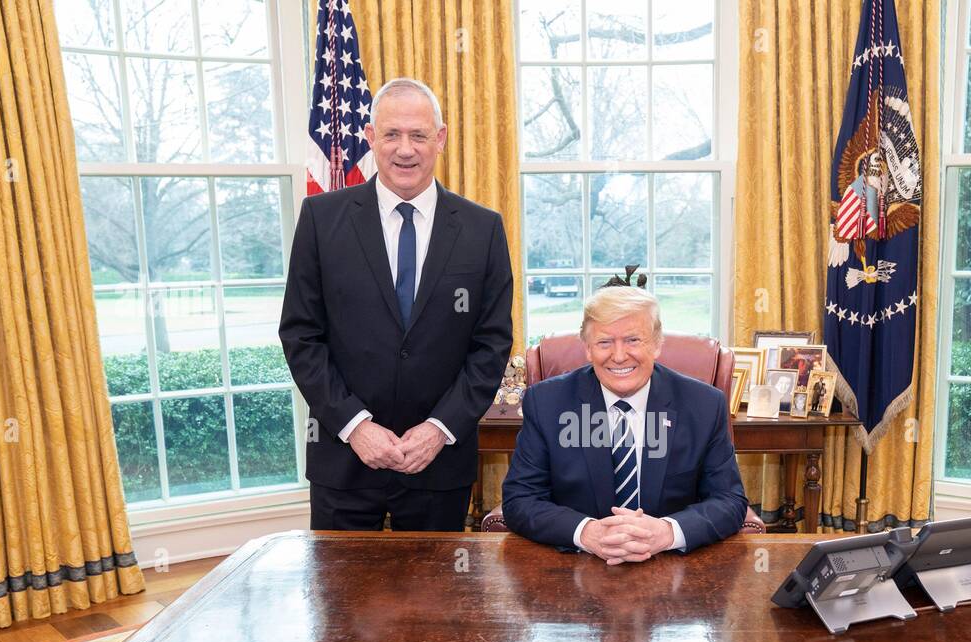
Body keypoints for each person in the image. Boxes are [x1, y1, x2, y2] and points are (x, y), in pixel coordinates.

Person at [279, 78, 512, 531]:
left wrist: (438, 430)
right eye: (391, 134)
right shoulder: (320, 220)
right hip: (343, 461)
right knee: (342, 599)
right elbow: (301, 335)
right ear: (370, 138)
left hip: (438, 464)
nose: (405, 149)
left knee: (435, 600)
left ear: (439, 139)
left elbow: (491, 345)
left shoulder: (483, 230)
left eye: (419, 135)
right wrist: (355, 426)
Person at [502, 284, 748, 563]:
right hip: (573, 566)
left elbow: (729, 500)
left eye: (633, 340)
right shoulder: (547, 403)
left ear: (656, 344)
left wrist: (667, 532)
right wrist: (586, 532)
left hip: (674, 567)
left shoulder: (703, 404)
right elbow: (520, 499)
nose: (619, 356)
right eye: (604, 342)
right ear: (587, 348)